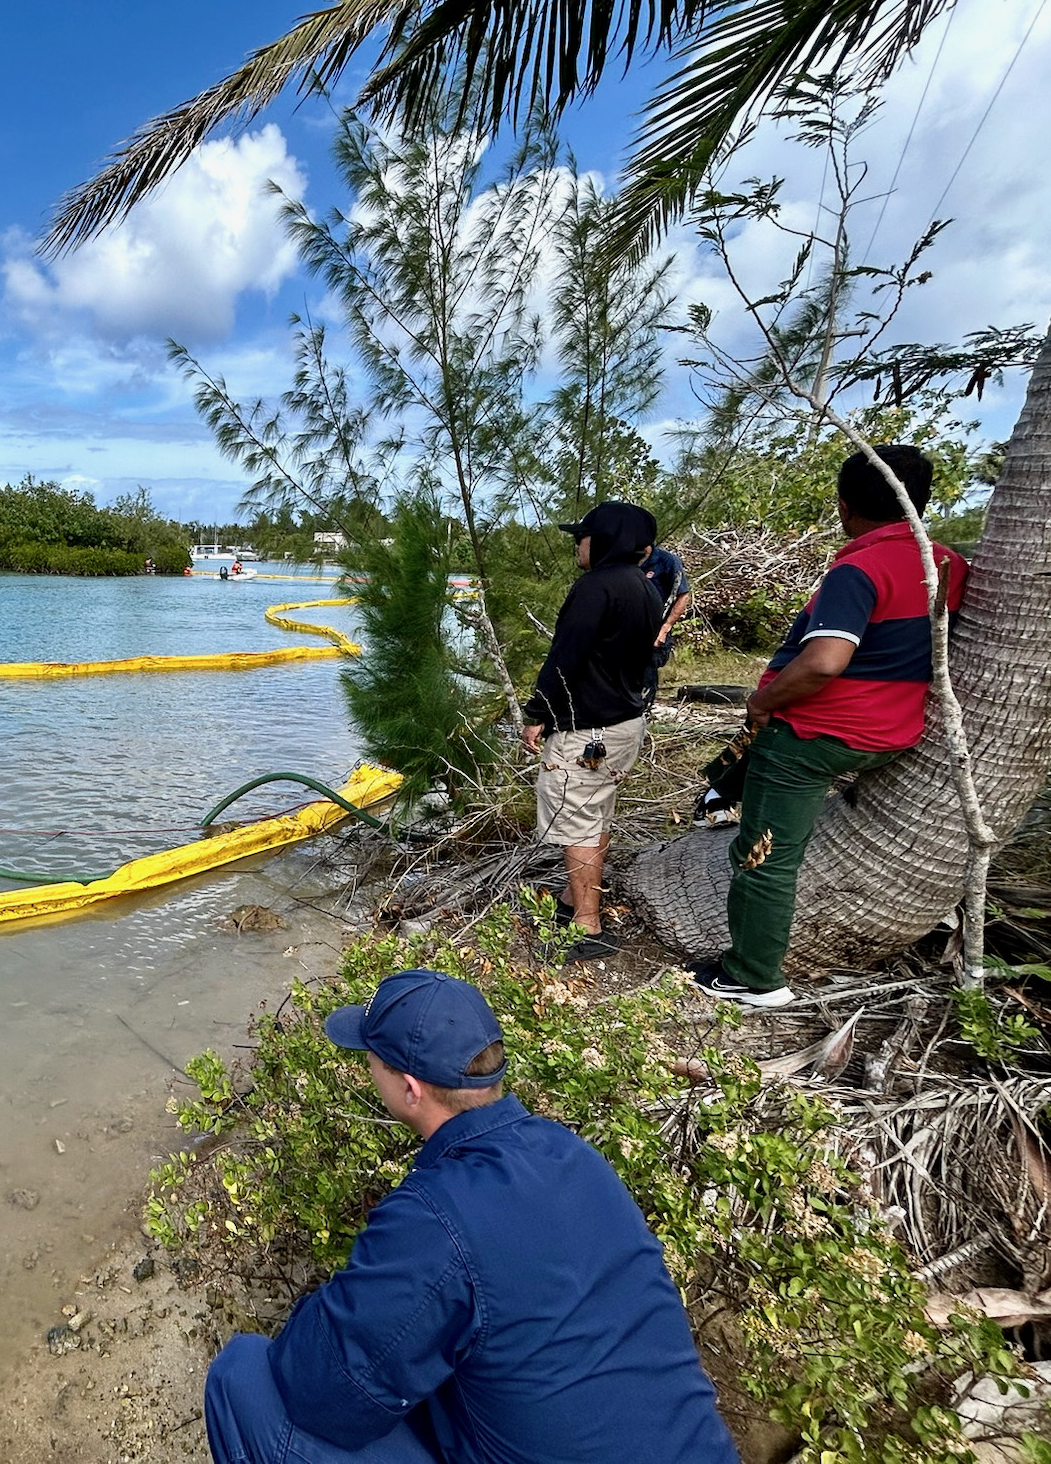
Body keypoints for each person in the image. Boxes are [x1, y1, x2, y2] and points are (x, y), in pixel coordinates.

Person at [203, 968, 738, 1464]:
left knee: (242, 1376)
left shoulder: (434, 1217)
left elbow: (318, 1390)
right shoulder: (571, 1152)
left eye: (372, 1059)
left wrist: (324, 1314)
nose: (366, 1067)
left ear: (410, 1089)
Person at [688, 445, 967, 1008]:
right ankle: (718, 792)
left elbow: (824, 661)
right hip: (895, 732)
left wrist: (764, 700)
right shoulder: (946, 565)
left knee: (764, 855)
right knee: (749, 765)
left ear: (845, 505)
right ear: (919, 500)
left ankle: (753, 977)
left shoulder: (858, 570)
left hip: (813, 737)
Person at [521, 501, 663, 961]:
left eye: (581, 537)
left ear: (603, 541)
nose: (577, 545)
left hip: (588, 731)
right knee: (596, 816)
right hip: (625, 724)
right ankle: (571, 901)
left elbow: (566, 656)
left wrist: (537, 712)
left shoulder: (595, 587)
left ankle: (587, 928)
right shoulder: (645, 587)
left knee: (578, 823)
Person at [640, 540, 692, 705]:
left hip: (655, 629)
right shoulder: (623, 560)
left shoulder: (666, 561)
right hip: (627, 629)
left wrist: (665, 628)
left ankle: (645, 709)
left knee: (647, 669)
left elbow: (682, 595)